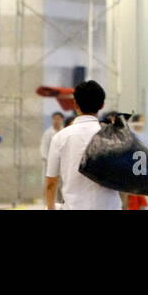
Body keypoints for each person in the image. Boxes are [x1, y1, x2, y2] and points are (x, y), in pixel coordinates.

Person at [45, 80, 122, 210]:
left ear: (75, 104)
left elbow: (51, 183)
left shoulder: (60, 137)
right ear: (102, 105)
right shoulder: (115, 136)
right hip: (110, 206)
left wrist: (51, 207)